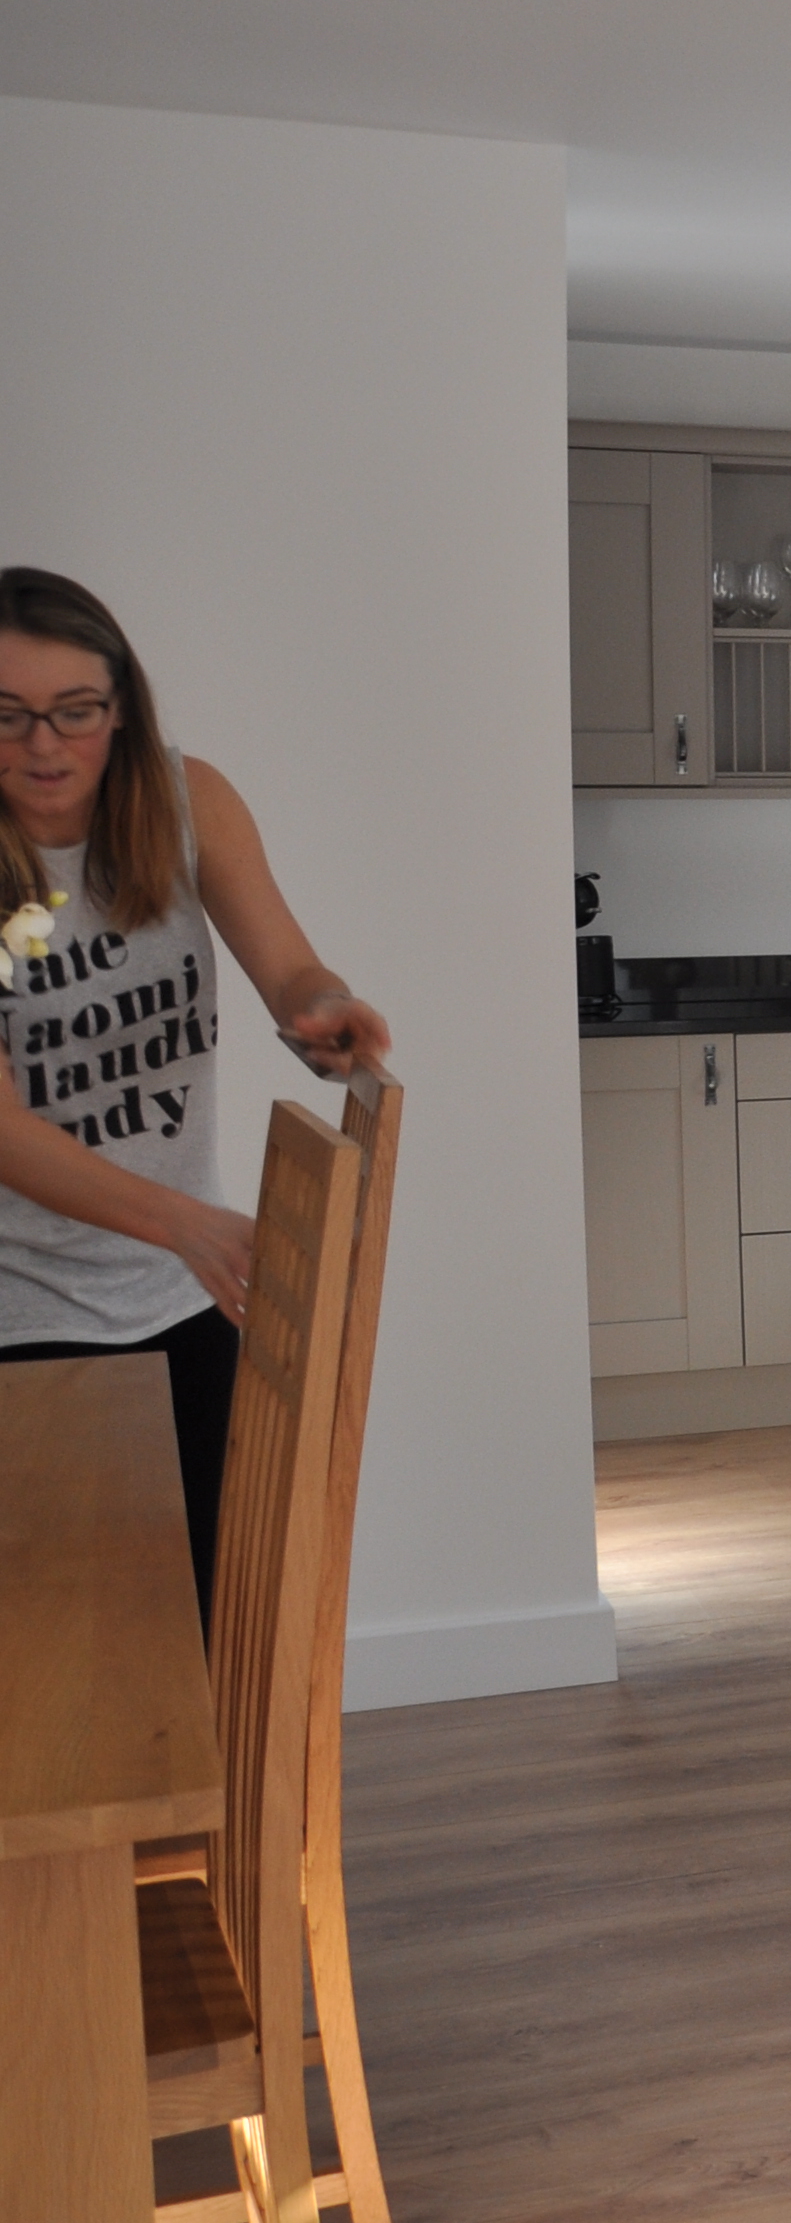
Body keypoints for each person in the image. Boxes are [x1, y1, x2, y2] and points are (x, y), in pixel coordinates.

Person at [0, 567, 388, 1622]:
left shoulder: (186, 801)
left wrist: (323, 1010)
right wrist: (190, 1226)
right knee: (84, 1669)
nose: (43, 746)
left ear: (120, 710)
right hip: (26, 1325)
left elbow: (291, 970)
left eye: (74, 712)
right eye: (9, 716)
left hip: (184, 1300)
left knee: (223, 1627)